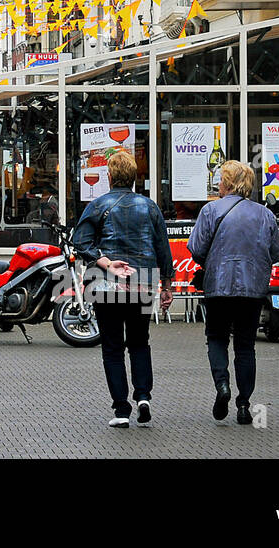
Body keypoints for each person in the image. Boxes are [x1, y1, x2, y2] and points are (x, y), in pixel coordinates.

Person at [72, 148, 174, 428]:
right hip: (143, 281)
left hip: (105, 284)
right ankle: (143, 396)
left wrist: (103, 261)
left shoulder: (98, 205)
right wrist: (167, 284)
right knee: (140, 342)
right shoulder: (149, 206)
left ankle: (121, 409)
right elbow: (162, 248)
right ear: (134, 177)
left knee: (113, 348)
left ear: (109, 176)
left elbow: (80, 242)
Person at [189, 160, 279, 425]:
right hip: (252, 289)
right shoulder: (265, 214)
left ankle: (222, 386)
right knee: (245, 346)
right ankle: (244, 404)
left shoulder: (210, 211)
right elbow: (275, 252)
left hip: (218, 286)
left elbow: (195, 248)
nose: (218, 183)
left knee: (217, 338)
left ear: (228, 183)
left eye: (220, 179)